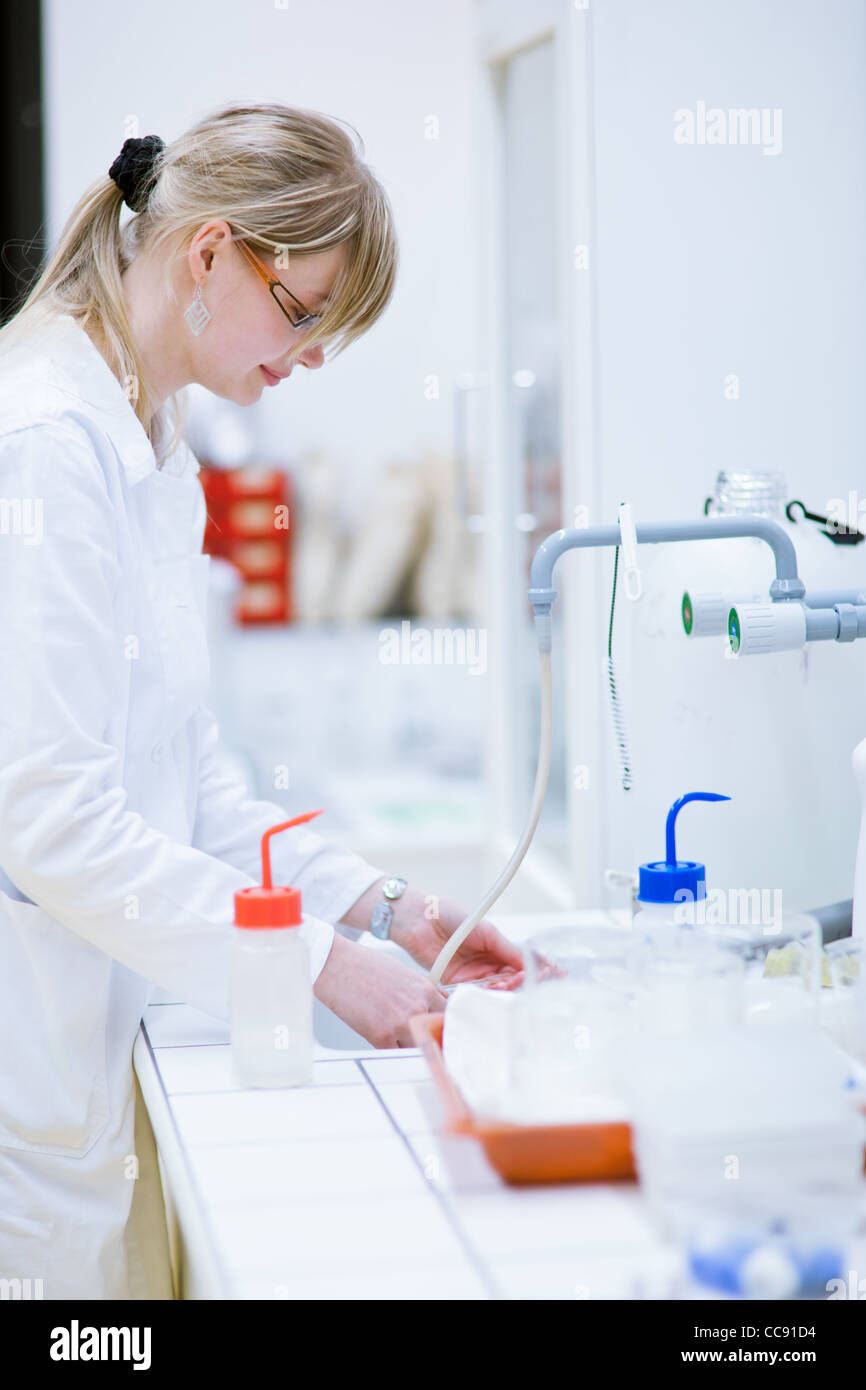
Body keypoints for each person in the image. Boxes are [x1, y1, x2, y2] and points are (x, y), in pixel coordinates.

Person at [0, 102, 523, 1299]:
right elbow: (53, 823)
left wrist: (389, 908)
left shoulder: (156, 436)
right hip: (25, 1080)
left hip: (89, 1054)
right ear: (208, 251)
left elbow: (190, 785)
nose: (309, 358)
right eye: (301, 313)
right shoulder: (44, 443)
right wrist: (320, 965)